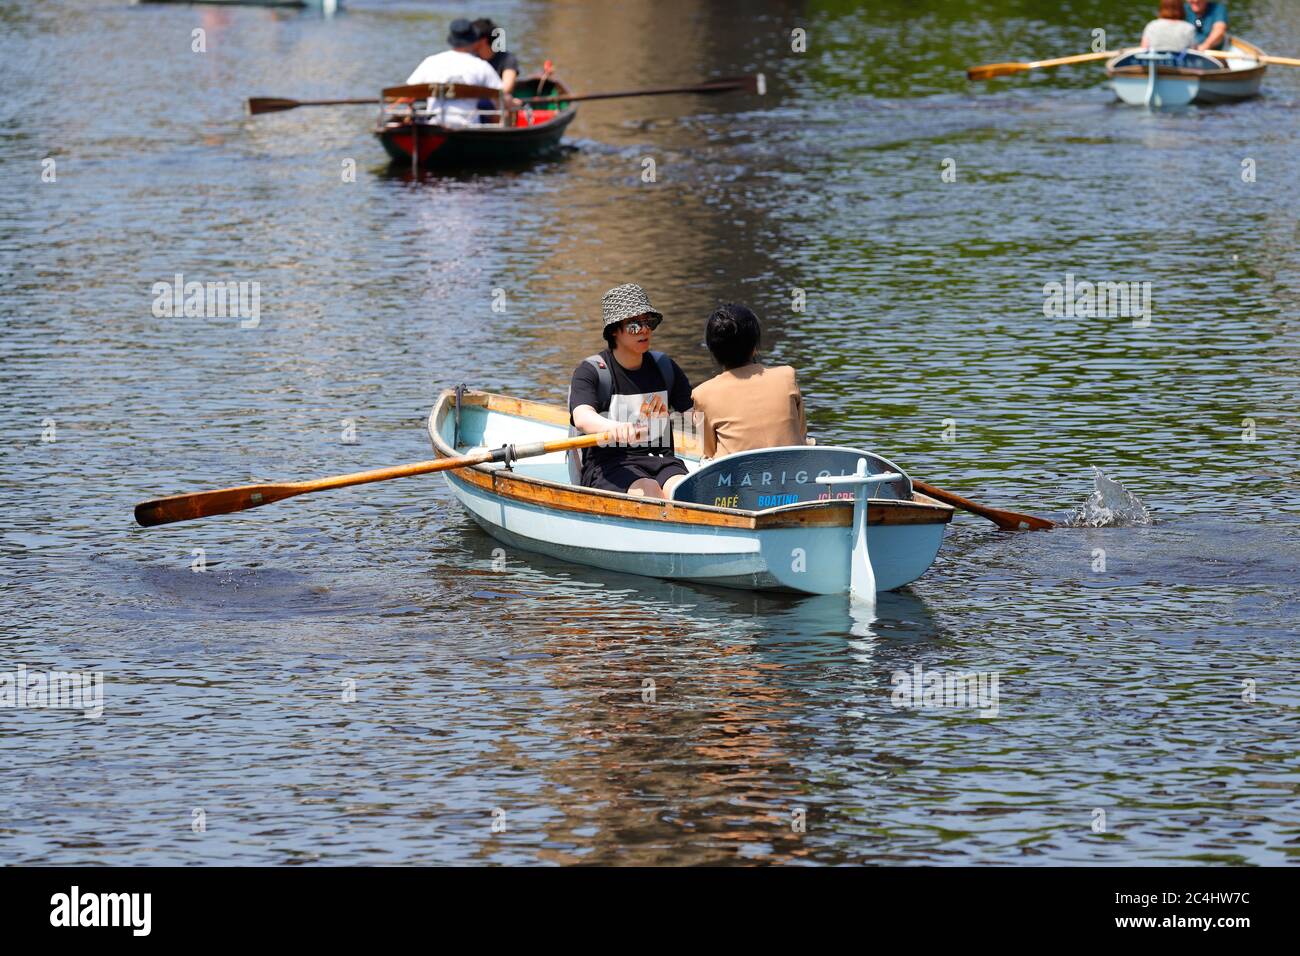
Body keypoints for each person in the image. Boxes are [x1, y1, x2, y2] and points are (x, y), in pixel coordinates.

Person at [568, 284, 693, 499]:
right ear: (614, 330)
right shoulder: (591, 371)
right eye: (635, 325)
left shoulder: (665, 367)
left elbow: (693, 414)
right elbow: (582, 417)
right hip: (609, 466)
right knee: (649, 492)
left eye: (648, 322)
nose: (644, 330)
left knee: (683, 492)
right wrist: (615, 427)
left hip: (662, 460)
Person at [690, 304, 807, 461]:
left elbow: (709, 450)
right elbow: (800, 433)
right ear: (754, 348)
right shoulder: (787, 376)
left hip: (738, 479)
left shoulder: (702, 394)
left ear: (713, 351)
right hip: (793, 472)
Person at [404, 18, 502, 128]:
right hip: (469, 127)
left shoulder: (431, 61)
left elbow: (408, 93)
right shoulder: (481, 66)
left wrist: (409, 112)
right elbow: (501, 96)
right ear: (473, 40)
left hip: (435, 125)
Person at [472, 18, 520, 97]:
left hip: (497, 102)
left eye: (471, 37)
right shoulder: (470, 58)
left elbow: (506, 89)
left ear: (483, 41)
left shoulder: (507, 59)